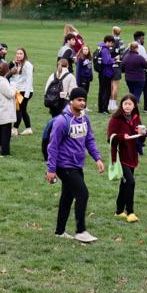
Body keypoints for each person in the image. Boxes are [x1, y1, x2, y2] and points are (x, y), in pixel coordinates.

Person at [46, 88, 105, 243]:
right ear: (71, 101)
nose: (82, 103)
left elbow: (89, 140)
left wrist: (97, 158)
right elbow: (52, 146)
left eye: (84, 100)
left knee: (67, 197)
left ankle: (59, 231)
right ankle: (80, 231)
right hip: (64, 166)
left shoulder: (85, 120)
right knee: (82, 194)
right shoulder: (61, 121)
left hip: (77, 164)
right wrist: (51, 169)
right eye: (79, 100)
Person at [107, 94, 147, 223]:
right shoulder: (116, 118)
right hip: (120, 156)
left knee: (124, 184)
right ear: (122, 105)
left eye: (130, 104)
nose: (127, 106)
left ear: (134, 105)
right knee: (130, 182)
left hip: (132, 155)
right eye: (125, 103)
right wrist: (121, 136)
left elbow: (139, 138)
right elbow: (110, 137)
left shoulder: (136, 118)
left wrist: (143, 134)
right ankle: (130, 212)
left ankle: (119, 211)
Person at [9, 48, 34, 135]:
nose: (18, 55)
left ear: (24, 55)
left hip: (25, 91)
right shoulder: (18, 64)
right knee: (23, 110)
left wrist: (26, 95)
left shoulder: (28, 65)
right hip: (19, 91)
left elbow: (29, 80)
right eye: (17, 53)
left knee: (18, 110)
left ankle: (15, 129)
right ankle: (28, 128)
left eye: (21, 53)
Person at [96, 36, 117, 114]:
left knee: (102, 90)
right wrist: (114, 59)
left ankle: (101, 108)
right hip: (106, 73)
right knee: (106, 91)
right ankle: (104, 109)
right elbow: (107, 61)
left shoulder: (101, 48)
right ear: (107, 42)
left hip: (102, 72)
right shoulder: (105, 50)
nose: (112, 45)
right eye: (111, 43)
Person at [133, 31, 147, 112]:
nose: (144, 40)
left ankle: (133, 106)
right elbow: (145, 61)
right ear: (139, 38)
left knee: (134, 90)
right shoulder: (141, 47)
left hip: (131, 72)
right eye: (143, 38)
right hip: (141, 71)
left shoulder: (130, 46)